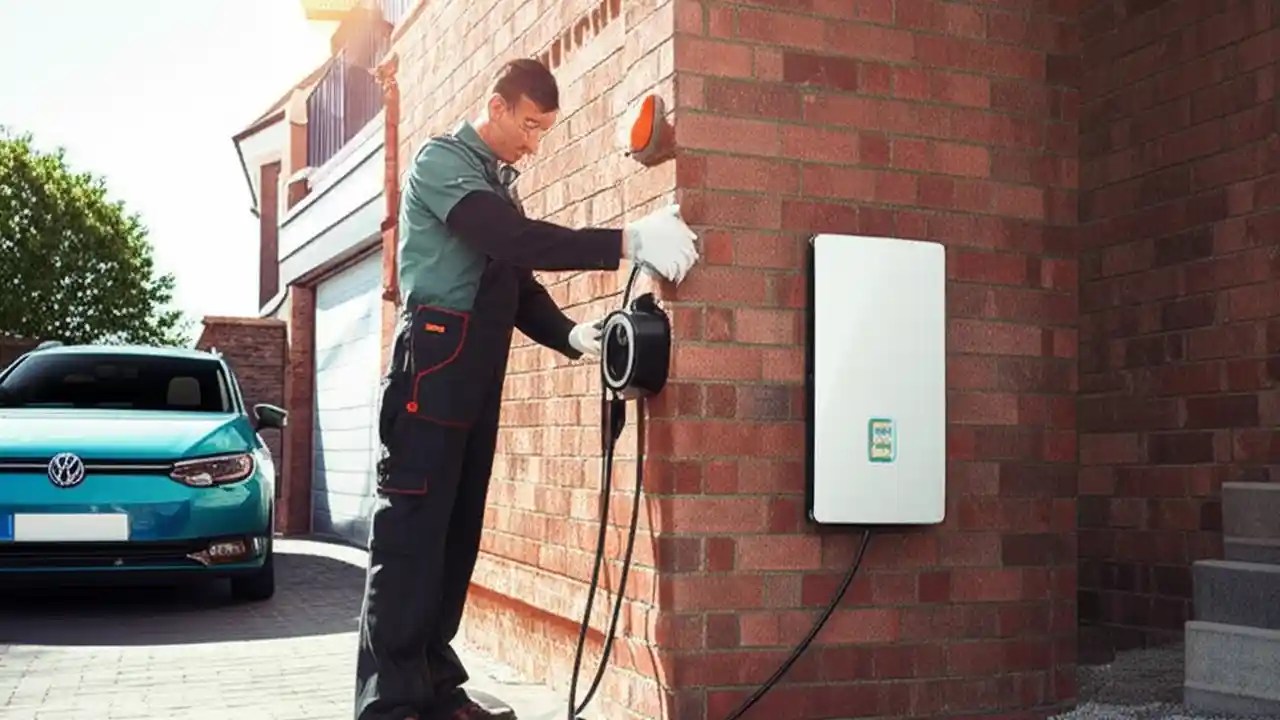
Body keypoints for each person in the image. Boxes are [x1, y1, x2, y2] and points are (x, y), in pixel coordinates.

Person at [354, 58, 700, 720]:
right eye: (532, 127)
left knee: (455, 539)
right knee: (410, 542)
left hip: (473, 376)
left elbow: (514, 278)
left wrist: (571, 337)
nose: (536, 143)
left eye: (545, 131)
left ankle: (435, 691)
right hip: (429, 369)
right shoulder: (441, 162)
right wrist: (628, 241)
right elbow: (509, 238)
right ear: (497, 107)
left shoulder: (494, 185)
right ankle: (390, 709)